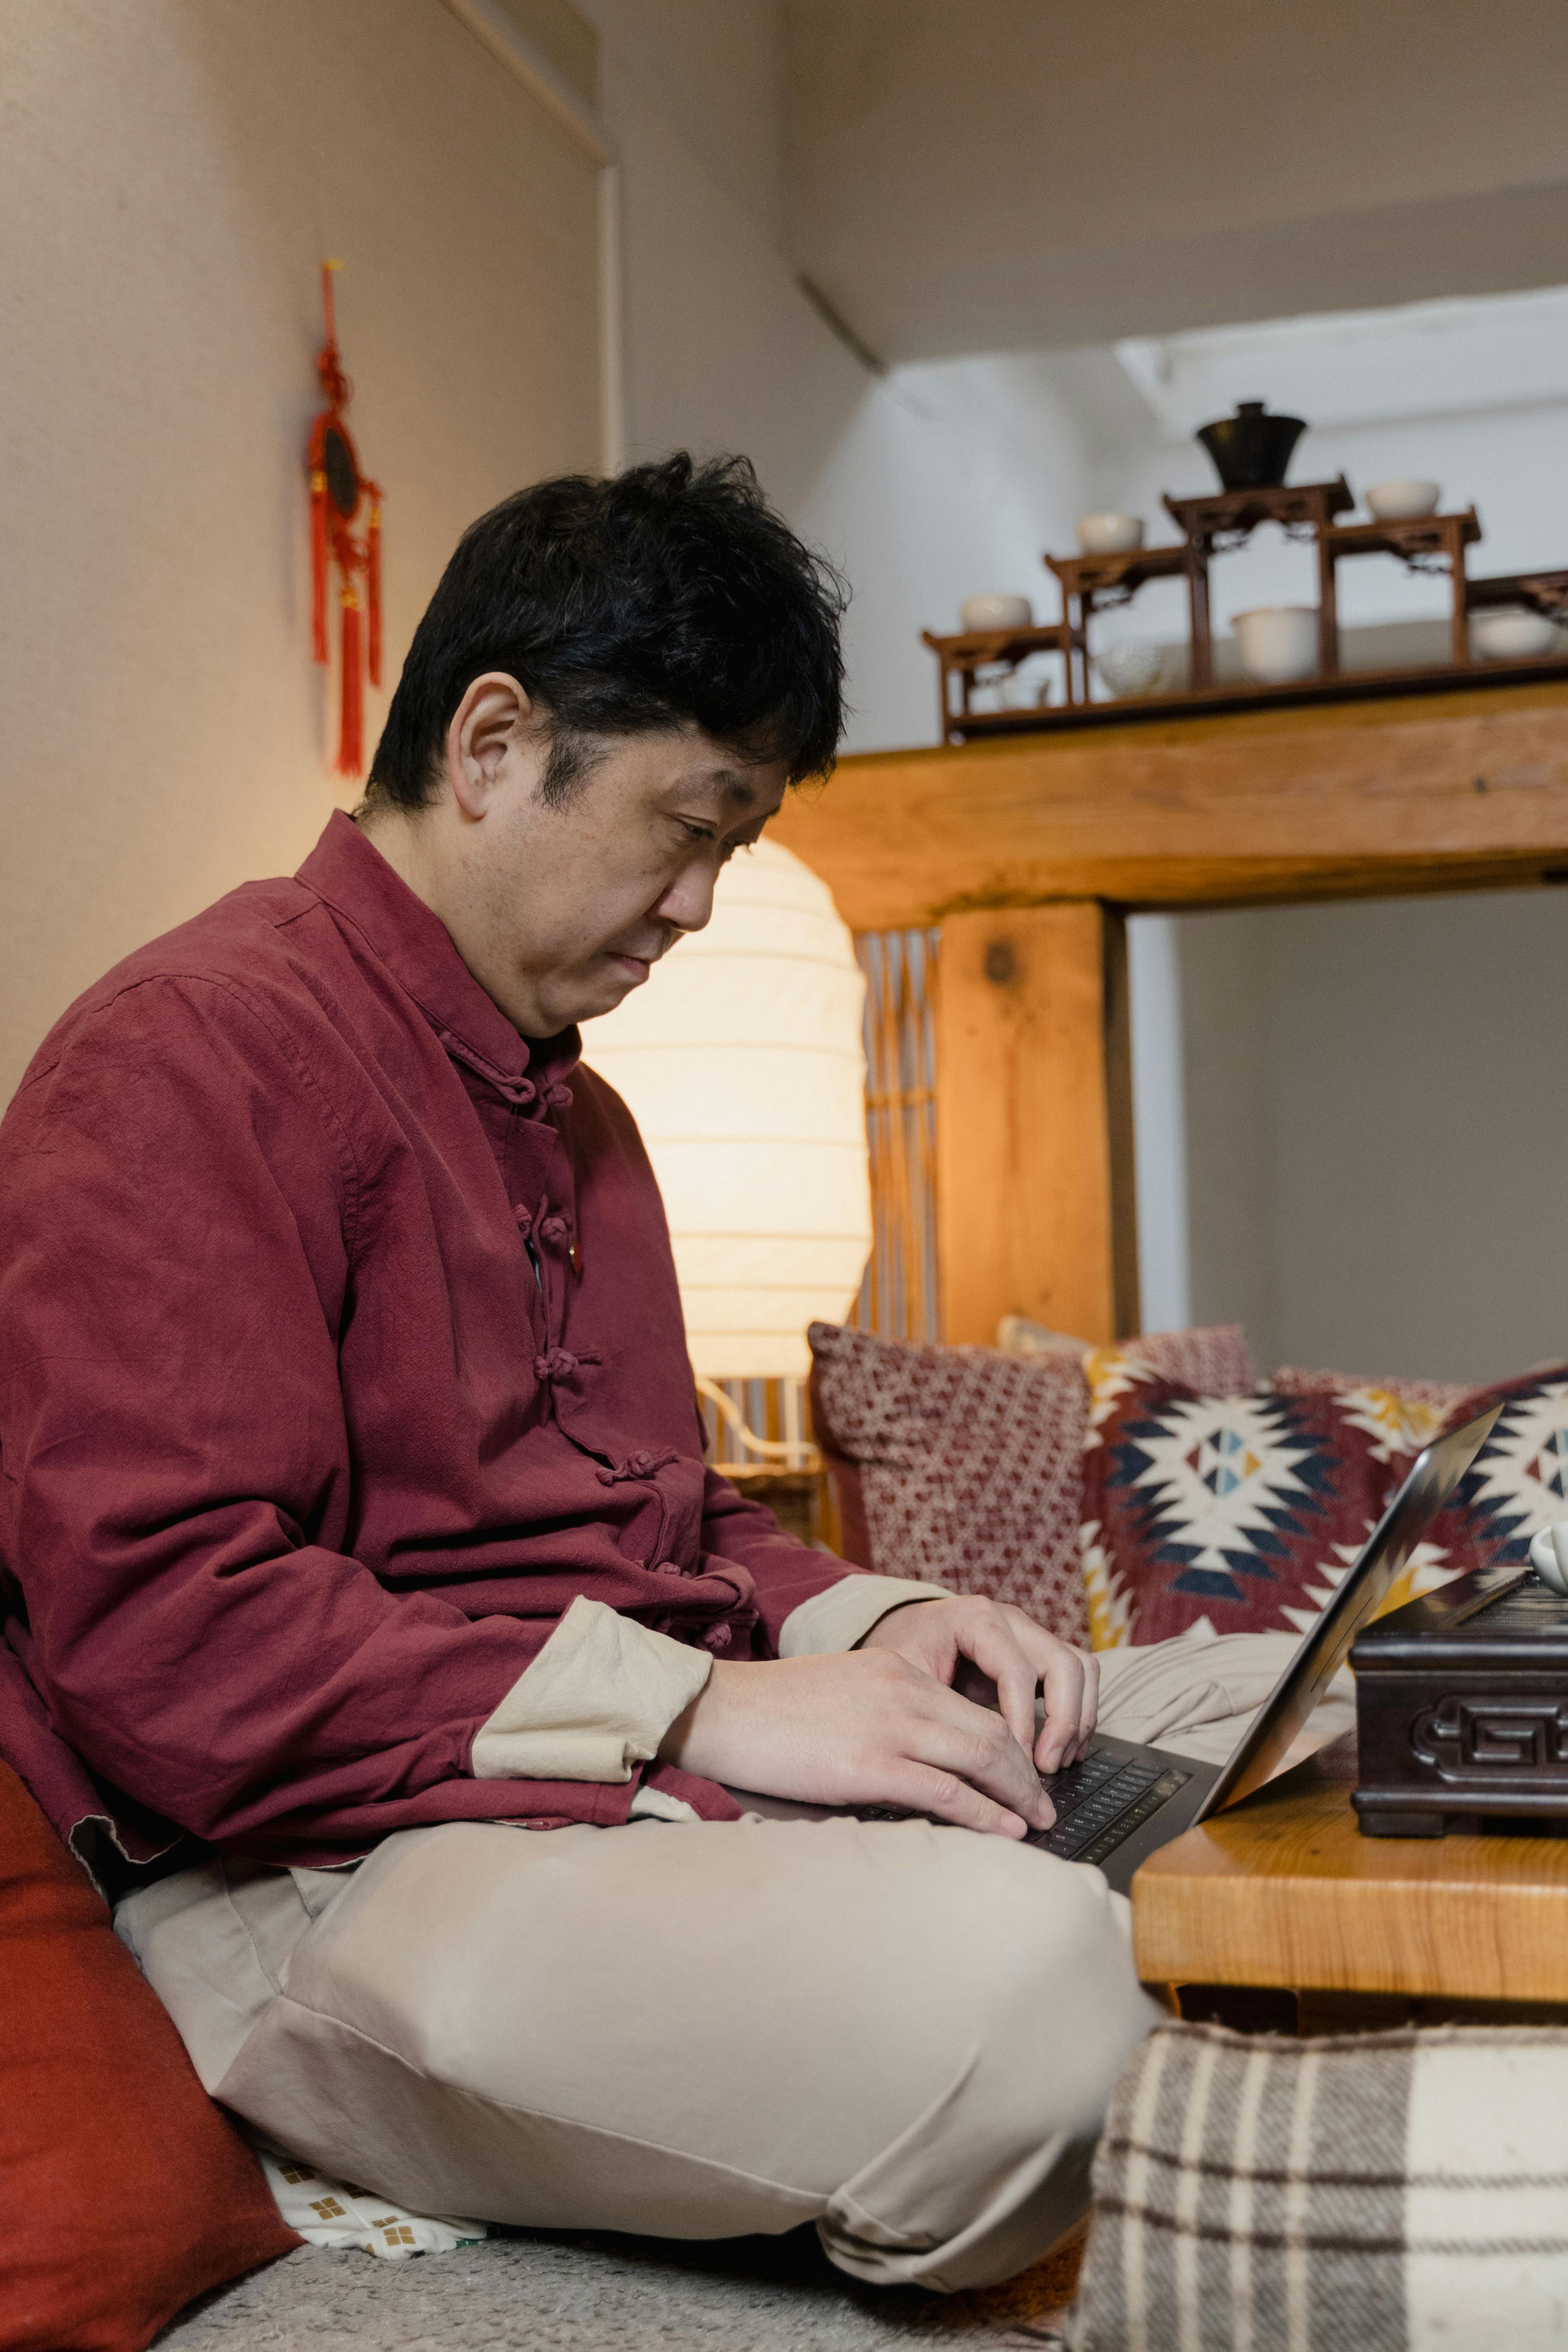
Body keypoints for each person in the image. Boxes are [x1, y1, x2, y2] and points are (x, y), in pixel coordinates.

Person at [0, 455, 1326, 2291]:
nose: (700, 903)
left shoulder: (588, 1117)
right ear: (488, 743)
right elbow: (171, 1642)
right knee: (1037, 1983)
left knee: (1316, 1714)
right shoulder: (182, 1059)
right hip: (328, 1869)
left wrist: (878, 1610)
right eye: (686, 828)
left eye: (735, 849)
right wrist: (701, 1717)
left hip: (627, 1790)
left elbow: (678, 1514)